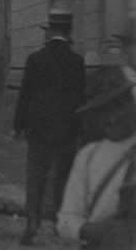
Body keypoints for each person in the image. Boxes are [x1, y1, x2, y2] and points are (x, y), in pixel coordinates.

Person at [14, 8, 86, 246]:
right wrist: (78, 128)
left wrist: (19, 125)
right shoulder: (77, 61)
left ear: (51, 32)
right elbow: (81, 99)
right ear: (68, 32)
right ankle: (58, 222)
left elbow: (25, 95)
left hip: (38, 131)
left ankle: (32, 223)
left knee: (36, 177)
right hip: (66, 131)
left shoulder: (35, 59)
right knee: (62, 177)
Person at [56, 65, 136, 249]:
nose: (111, 118)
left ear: (131, 103)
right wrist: (90, 230)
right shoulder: (88, 156)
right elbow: (67, 219)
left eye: (118, 106)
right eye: (103, 111)